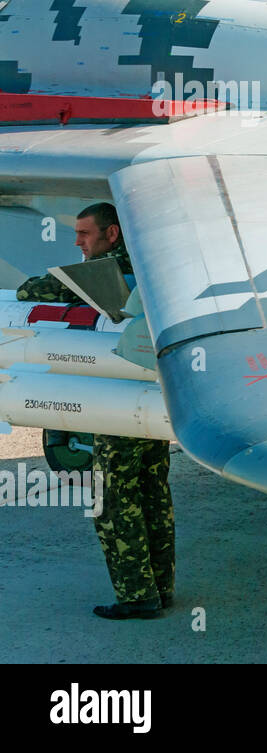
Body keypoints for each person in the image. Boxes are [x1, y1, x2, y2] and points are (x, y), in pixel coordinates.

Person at [16, 203, 174, 620]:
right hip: (149, 397)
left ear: (112, 234)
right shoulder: (156, 266)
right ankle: (162, 586)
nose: (78, 242)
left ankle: (137, 595)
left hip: (114, 405)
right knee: (154, 493)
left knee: (113, 499)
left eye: (85, 234)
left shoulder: (99, 272)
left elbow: (30, 292)